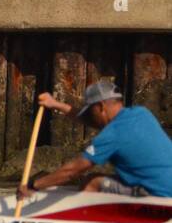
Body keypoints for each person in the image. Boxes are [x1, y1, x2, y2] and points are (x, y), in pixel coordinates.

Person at [19, 82, 172, 200]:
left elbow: (72, 171)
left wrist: (34, 186)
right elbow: (93, 121)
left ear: (100, 107)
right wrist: (55, 104)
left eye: (90, 111)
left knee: (91, 181)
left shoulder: (111, 135)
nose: (90, 117)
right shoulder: (141, 114)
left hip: (158, 194)